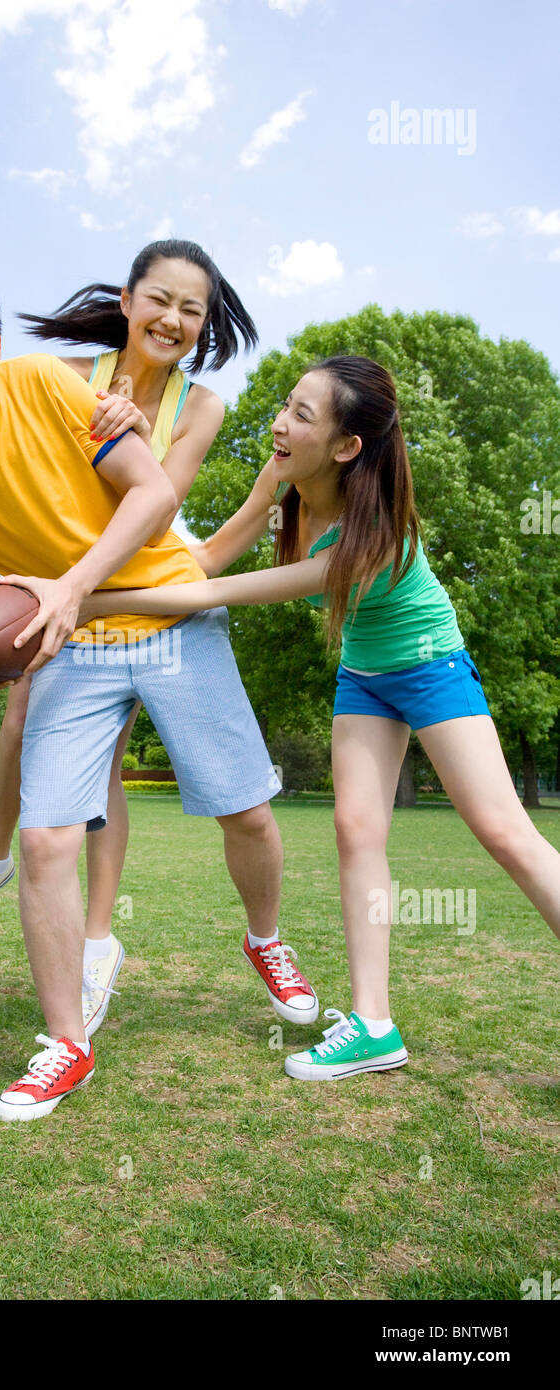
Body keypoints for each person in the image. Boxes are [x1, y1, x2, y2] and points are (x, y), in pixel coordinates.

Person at [0, 249, 318, 1122]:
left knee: (248, 813)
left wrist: (72, 586)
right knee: (48, 843)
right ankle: (65, 1044)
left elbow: (153, 495)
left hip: (168, 614)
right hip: (68, 638)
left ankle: (265, 940)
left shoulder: (48, 384)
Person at [38, 354, 560, 1079]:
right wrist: (97, 566)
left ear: (348, 446)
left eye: (302, 417)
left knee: (505, 833)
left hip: (431, 666)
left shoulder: (364, 540)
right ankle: (374, 1026)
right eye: (288, 405)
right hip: (365, 678)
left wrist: (80, 597)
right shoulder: (283, 478)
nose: (280, 424)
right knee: (354, 832)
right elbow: (207, 560)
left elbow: (204, 597)